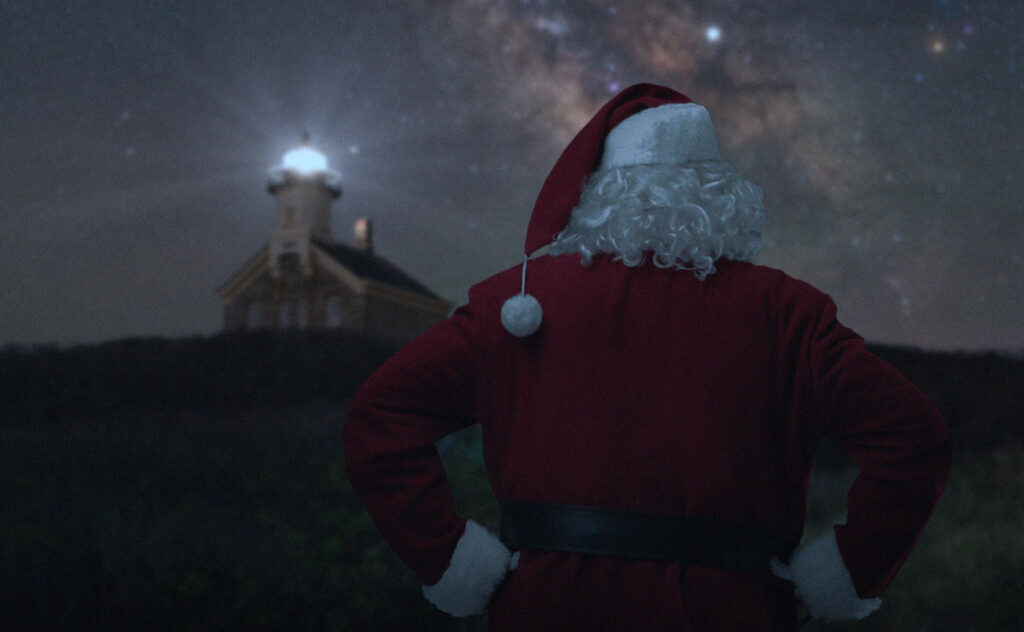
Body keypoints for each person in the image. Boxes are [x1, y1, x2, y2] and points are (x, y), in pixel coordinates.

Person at [343, 83, 951, 631]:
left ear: (598, 194)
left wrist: (448, 557)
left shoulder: (517, 303)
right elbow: (913, 438)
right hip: (734, 614)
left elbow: (381, 416)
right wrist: (848, 570)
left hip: (546, 610)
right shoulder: (788, 315)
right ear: (721, 194)